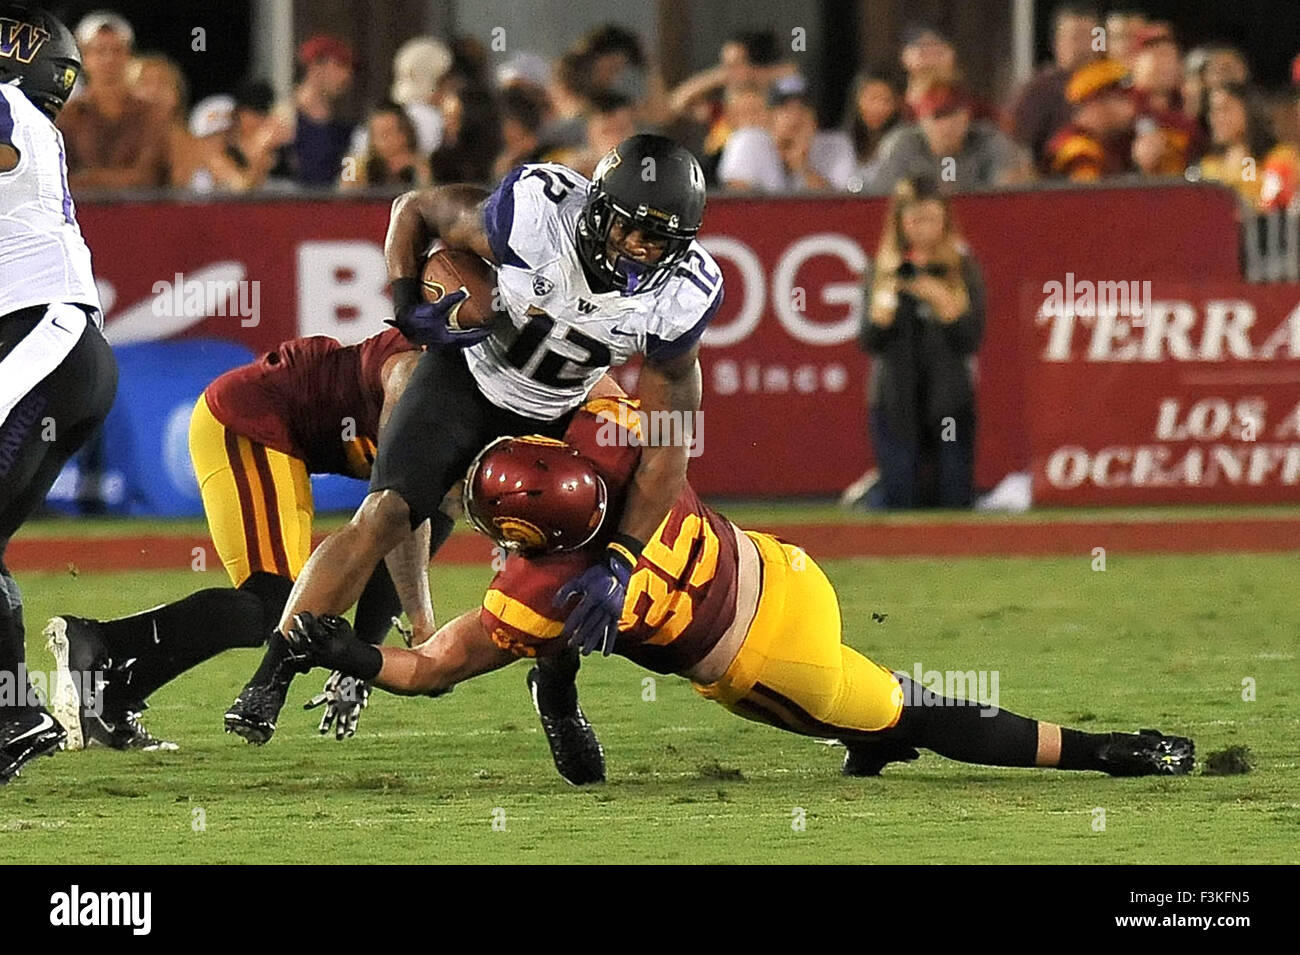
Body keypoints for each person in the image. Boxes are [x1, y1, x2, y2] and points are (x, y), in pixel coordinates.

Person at [282, 407, 1195, 782]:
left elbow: (430, 667)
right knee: (552, 637)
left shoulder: (537, 583)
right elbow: (661, 411)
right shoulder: (628, 457)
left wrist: (336, 646)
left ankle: (1105, 750)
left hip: (764, 658)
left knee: (906, 712)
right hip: (785, 566)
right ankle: (556, 690)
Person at [224, 135, 723, 788]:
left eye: (658, 242)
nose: (639, 249)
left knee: (570, 561)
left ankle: (556, 684)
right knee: (384, 514)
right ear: (599, 208)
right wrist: (406, 300)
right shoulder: (538, 215)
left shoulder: (678, 299)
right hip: (469, 375)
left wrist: (623, 557)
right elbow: (414, 209)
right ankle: (277, 665)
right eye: (631, 228)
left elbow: (667, 445)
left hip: (560, 408)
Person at [44, 327, 426, 750]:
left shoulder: (450, 393)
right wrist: (402, 632)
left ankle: (110, 699)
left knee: (272, 604)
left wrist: (366, 651)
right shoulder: (412, 371)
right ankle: (99, 641)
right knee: (275, 604)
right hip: (250, 421)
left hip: (282, 440)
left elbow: (406, 519)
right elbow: (398, 508)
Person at [0, 6, 116, 782]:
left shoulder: (8, 107)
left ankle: (16, 715)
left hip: (44, 336)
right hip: (60, 345)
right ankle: (13, 719)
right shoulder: (33, 124)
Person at [858, 179, 984, 510]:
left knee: (954, 499)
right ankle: (877, 493)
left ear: (944, 221)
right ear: (900, 223)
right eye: (914, 220)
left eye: (931, 219)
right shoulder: (884, 270)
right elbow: (870, 339)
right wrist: (885, 307)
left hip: (948, 400)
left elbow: (971, 338)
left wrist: (942, 301)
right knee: (902, 501)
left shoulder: (961, 269)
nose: (922, 229)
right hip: (896, 398)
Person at [57, 10, 168, 189]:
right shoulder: (67, 115)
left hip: (141, 212)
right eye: (100, 51)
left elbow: (148, 176)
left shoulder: (152, 113)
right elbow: (60, 178)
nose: (109, 59)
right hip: (84, 213)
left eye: (117, 50)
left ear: (129, 55)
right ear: (83, 57)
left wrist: (89, 179)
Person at [864, 84, 1026, 193]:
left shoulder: (989, 139)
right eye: (938, 116)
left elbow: (1007, 195)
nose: (948, 125)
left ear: (967, 115)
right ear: (921, 120)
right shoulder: (902, 143)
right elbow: (882, 195)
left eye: (954, 114)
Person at [1010, 2, 1100, 171]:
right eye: (1077, 37)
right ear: (1057, 42)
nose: (1085, 46)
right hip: (1056, 188)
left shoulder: (1111, 86)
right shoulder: (1038, 90)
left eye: (1092, 37)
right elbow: (1015, 145)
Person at [1194, 84, 1299, 212]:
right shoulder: (1208, 166)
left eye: (1225, 109)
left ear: (1249, 111)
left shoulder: (1280, 158)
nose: (1215, 118)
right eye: (1212, 110)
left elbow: (1272, 204)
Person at [274, 35, 355, 188]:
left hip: (333, 207)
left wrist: (350, 180)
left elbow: (348, 164)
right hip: (293, 206)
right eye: (340, 66)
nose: (347, 76)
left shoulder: (343, 126)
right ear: (315, 66)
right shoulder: (284, 117)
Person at [1045, 58, 1136, 180]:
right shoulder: (1079, 151)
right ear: (1094, 106)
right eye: (1119, 99)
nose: (1130, 107)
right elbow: (1090, 197)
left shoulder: (1113, 141)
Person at [341, 102, 430, 190]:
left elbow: (428, 194)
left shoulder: (424, 163)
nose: (387, 141)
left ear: (406, 134)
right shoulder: (354, 163)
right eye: (380, 134)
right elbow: (343, 195)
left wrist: (418, 169)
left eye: (390, 132)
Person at [842, 71, 902, 188]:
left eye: (886, 100)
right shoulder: (841, 142)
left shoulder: (901, 143)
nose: (878, 107)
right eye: (872, 98)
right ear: (857, 100)